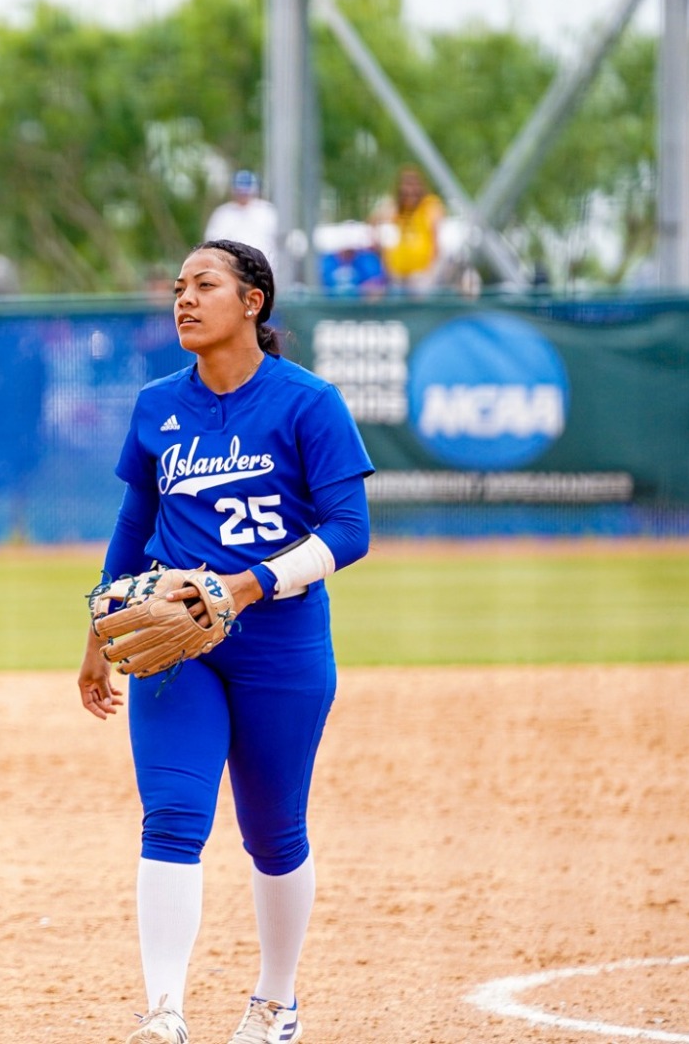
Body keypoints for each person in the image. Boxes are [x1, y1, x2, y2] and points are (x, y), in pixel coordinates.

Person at [75, 239, 374, 1044]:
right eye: (177, 286)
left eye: (205, 284)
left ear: (253, 303)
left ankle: (276, 1002)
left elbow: (350, 532)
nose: (184, 298)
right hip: (177, 644)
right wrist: (100, 627)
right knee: (171, 815)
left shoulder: (309, 403)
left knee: (273, 829)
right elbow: (136, 523)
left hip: (281, 643)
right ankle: (165, 1012)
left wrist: (247, 585)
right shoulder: (156, 404)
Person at [379, 165, 444, 293]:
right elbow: (377, 221)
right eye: (406, 185)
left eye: (413, 185)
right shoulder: (398, 210)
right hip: (397, 273)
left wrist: (431, 270)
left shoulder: (429, 205)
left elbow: (435, 234)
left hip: (421, 273)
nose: (410, 190)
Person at [204, 170, 279, 263]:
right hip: (233, 268)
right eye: (240, 192)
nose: (243, 196)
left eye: (246, 193)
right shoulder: (222, 214)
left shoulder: (267, 212)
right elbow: (213, 243)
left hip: (263, 268)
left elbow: (279, 239)